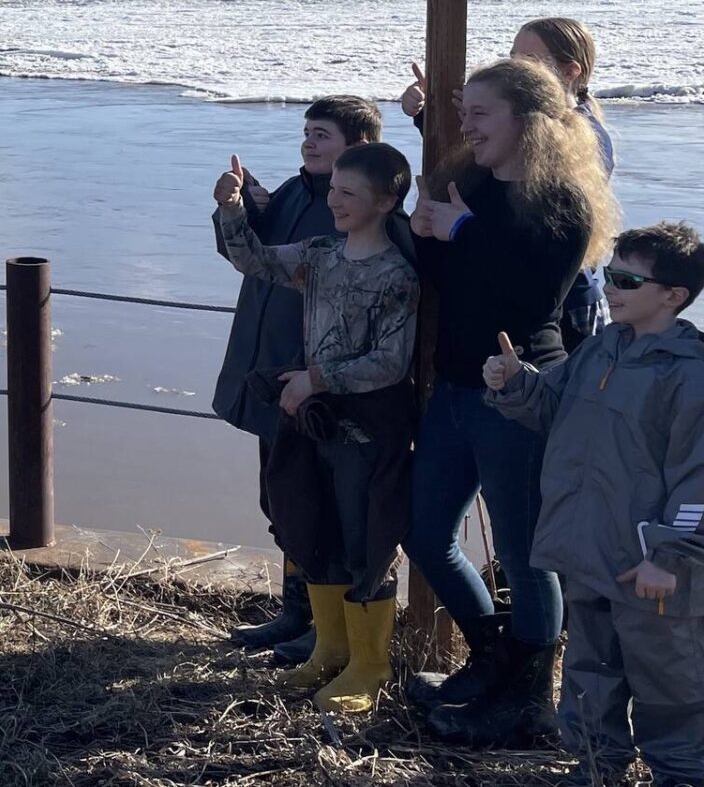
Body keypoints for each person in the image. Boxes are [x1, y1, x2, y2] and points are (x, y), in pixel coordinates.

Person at [403, 56, 621, 747]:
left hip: (521, 396)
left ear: (526, 121)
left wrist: (461, 232)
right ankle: (494, 661)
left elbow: (529, 298)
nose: (466, 124)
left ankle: (529, 702)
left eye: (479, 113)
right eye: (464, 111)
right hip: (454, 391)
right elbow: (442, 276)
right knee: (425, 532)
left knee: (528, 557)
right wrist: (427, 232)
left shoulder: (561, 203)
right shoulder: (470, 183)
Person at [484, 221, 704, 787]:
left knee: (669, 688)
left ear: (673, 297)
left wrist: (669, 556)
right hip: (589, 553)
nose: (611, 288)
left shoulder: (689, 375)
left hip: (651, 570)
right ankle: (595, 771)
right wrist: (515, 384)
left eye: (628, 280)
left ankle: (681, 775)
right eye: (610, 274)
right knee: (589, 675)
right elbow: (553, 412)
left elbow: (697, 480)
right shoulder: (603, 348)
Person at [216, 142, 420, 714]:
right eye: (333, 190)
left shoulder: (396, 275)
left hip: (367, 427)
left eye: (348, 193)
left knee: (366, 543)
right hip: (313, 422)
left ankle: (369, 666)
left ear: (386, 201)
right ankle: (329, 651)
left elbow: (390, 362)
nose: (334, 201)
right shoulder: (322, 254)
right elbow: (253, 260)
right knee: (313, 527)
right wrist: (231, 210)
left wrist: (316, 378)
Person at [211, 96, 383, 663]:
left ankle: (327, 631)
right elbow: (247, 254)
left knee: (326, 509)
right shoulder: (293, 191)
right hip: (267, 370)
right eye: (307, 132)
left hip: (315, 383)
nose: (309, 142)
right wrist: (238, 208)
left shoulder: (356, 209)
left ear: (357, 147)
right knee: (281, 501)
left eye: (323, 135)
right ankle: (297, 613)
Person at [403, 16, 615, 347]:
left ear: (570, 71)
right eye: (513, 56)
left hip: (568, 305)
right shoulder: (486, 178)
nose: (517, 65)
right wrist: (431, 116)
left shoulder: (575, 157)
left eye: (529, 60)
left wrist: (464, 230)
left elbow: (535, 291)